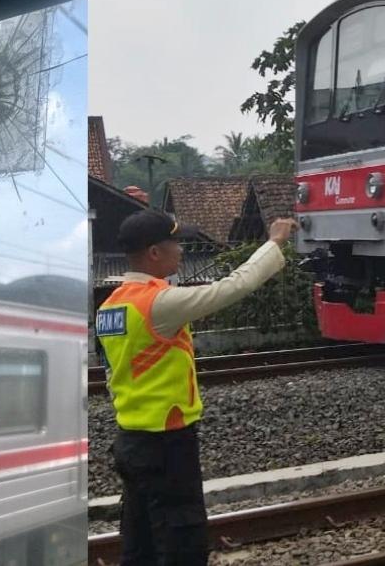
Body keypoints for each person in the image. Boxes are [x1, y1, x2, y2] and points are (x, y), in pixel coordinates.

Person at [96, 209, 298, 566]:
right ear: (154, 253)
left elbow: (117, 373)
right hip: (167, 443)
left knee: (139, 543)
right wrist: (275, 242)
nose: (182, 250)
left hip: (130, 441)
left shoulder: (110, 307)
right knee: (181, 541)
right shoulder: (159, 303)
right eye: (175, 242)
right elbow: (233, 286)